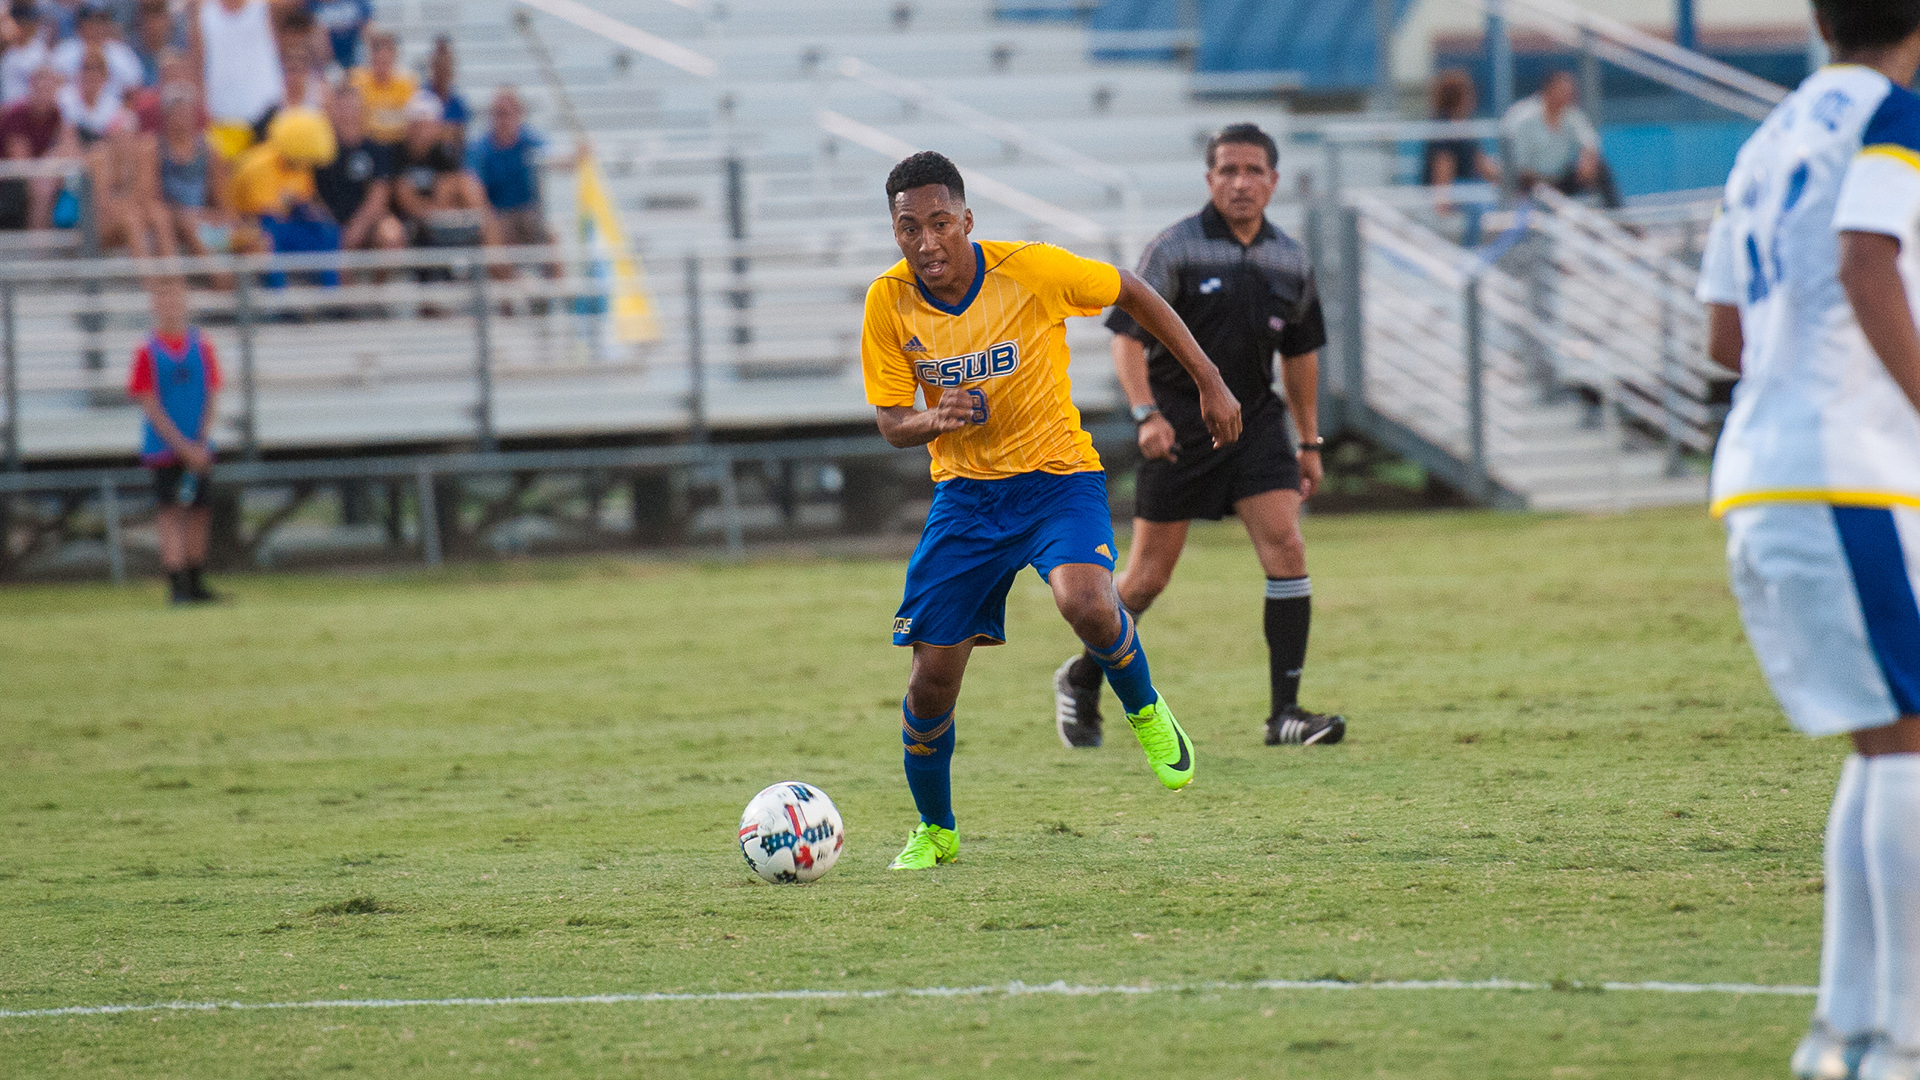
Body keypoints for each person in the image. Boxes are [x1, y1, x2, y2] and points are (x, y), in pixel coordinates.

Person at [862, 150, 1242, 869]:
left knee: (1087, 602)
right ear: (895, 231)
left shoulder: (1029, 269)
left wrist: (1209, 381)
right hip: (966, 501)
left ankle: (1145, 709)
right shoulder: (888, 300)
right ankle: (936, 830)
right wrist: (934, 419)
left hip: (1055, 478)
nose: (927, 242)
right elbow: (889, 420)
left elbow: (1131, 290)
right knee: (930, 680)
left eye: (941, 223)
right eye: (909, 228)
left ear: (967, 220)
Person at [1695, 2, 1920, 1078]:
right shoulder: (1895, 113)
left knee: (1886, 743)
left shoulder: (1767, 134)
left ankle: (1843, 1034)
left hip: (1762, 471)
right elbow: (1868, 258)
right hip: (1847, 475)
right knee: (1909, 741)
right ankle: (1899, 1038)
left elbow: (1725, 333)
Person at [1054, 123, 1346, 751]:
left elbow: (1300, 355)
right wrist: (1145, 414)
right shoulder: (1175, 250)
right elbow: (1127, 338)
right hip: (1179, 431)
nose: (1240, 182)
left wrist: (1310, 441)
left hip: (1257, 427)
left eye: (1253, 171)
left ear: (1273, 180)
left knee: (1287, 549)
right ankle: (1081, 676)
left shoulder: (1291, 259)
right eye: (1227, 171)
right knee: (1145, 581)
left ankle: (1285, 715)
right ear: (1209, 180)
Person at [128, 277, 222, 605]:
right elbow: (149, 402)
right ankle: (176, 584)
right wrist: (181, 445)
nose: (170, 307)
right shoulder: (147, 350)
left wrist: (201, 440)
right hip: (164, 448)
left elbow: (211, 393)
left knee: (200, 510)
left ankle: (196, 581)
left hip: (198, 445)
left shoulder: (202, 344)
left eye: (175, 300)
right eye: (163, 300)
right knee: (170, 513)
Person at [1500, 70, 1619, 209]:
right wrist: (1540, 180)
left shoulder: (1571, 115)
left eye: (1570, 92)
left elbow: (1589, 142)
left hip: (1559, 180)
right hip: (1529, 183)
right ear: (1548, 90)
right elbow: (1517, 166)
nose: (1568, 97)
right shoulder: (1523, 119)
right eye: (1563, 91)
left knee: (1600, 168)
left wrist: (1588, 159)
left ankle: (1619, 217)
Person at [391, 91, 492, 249]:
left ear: (436, 127)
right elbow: (405, 200)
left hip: (437, 218)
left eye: (426, 124)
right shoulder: (398, 153)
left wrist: (440, 212)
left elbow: (447, 193)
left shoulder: (445, 153)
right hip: (407, 221)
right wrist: (435, 212)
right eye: (417, 124)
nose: (421, 131)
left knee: (469, 187)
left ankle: (495, 259)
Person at [191, 0, 285, 159]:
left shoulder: (265, 6)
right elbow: (196, 63)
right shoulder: (204, 11)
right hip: (222, 118)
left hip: (267, 112)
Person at [313, 85, 399, 251]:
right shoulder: (320, 152)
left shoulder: (376, 149)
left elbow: (378, 195)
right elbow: (314, 194)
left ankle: (383, 278)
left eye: (352, 108)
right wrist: (331, 226)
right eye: (341, 108)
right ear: (332, 111)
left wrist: (358, 226)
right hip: (330, 222)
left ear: (362, 111)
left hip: (368, 221)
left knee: (391, 234)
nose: (347, 114)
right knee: (333, 241)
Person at [0, 65, 79, 228]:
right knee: (43, 186)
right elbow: (20, 161)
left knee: (48, 181)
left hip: (43, 177)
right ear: (32, 88)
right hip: (11, 181)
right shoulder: (18, 114)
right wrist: (51, 160)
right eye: (40, 89)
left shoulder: (57, 114)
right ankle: (38, 250)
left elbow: (71, 150)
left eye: (49, 89)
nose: (44, 95)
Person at [468, 86, 547, 245]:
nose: (503, 120)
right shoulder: (480, 148)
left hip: (526, 213)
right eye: (498, 114)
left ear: (519, 115)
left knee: (552, 238)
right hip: (496, 214)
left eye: (507, 114)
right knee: (496, 235)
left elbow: (554, 157)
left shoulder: (529, 141)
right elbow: (473, 185)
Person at [50, 2, 143, 101]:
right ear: (80, 24)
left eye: (101, 21)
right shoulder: (65, 51)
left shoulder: (121, 53)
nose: (97, 26)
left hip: (112, 110)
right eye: (91, 22)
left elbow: (135, 88)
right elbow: (53, 87)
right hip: (71, 110)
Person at [1422, 68, 1498, 188]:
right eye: (1469, 93)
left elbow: (1483, 165)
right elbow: (1442, 175)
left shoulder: (1465, 127)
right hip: (1459, 195)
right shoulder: (1444, 130)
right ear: (1458, 97)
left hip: (1469, 189)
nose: (1474, 98)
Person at [346, 26, 412, 146]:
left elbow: (409, 122)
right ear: (371, 58)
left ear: (394, 58)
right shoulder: (357, 80)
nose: (382, 67)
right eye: (378, 62)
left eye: (386, 62)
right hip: (367, 143)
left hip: (399, 144)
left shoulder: (407, 83)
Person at [0, 2, 51, 105]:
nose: (26, 28)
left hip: (28, 108)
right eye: (22, 24)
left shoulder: (40, 50)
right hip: (4, 104)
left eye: (29, 24)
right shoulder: (5, 48)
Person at [425, 34, 465, 145]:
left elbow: (460, 136)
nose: (442, 66)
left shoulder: (458, 103)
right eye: (438, 63)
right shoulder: (420, 97)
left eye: (446, 64)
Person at [307, 0, 369, 71]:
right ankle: (329, 69)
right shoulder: (313, 5)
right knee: (317, 32)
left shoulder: (358, 3)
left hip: (354, 50)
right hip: (328, 55)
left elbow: (367, 26)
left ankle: (360, 66)